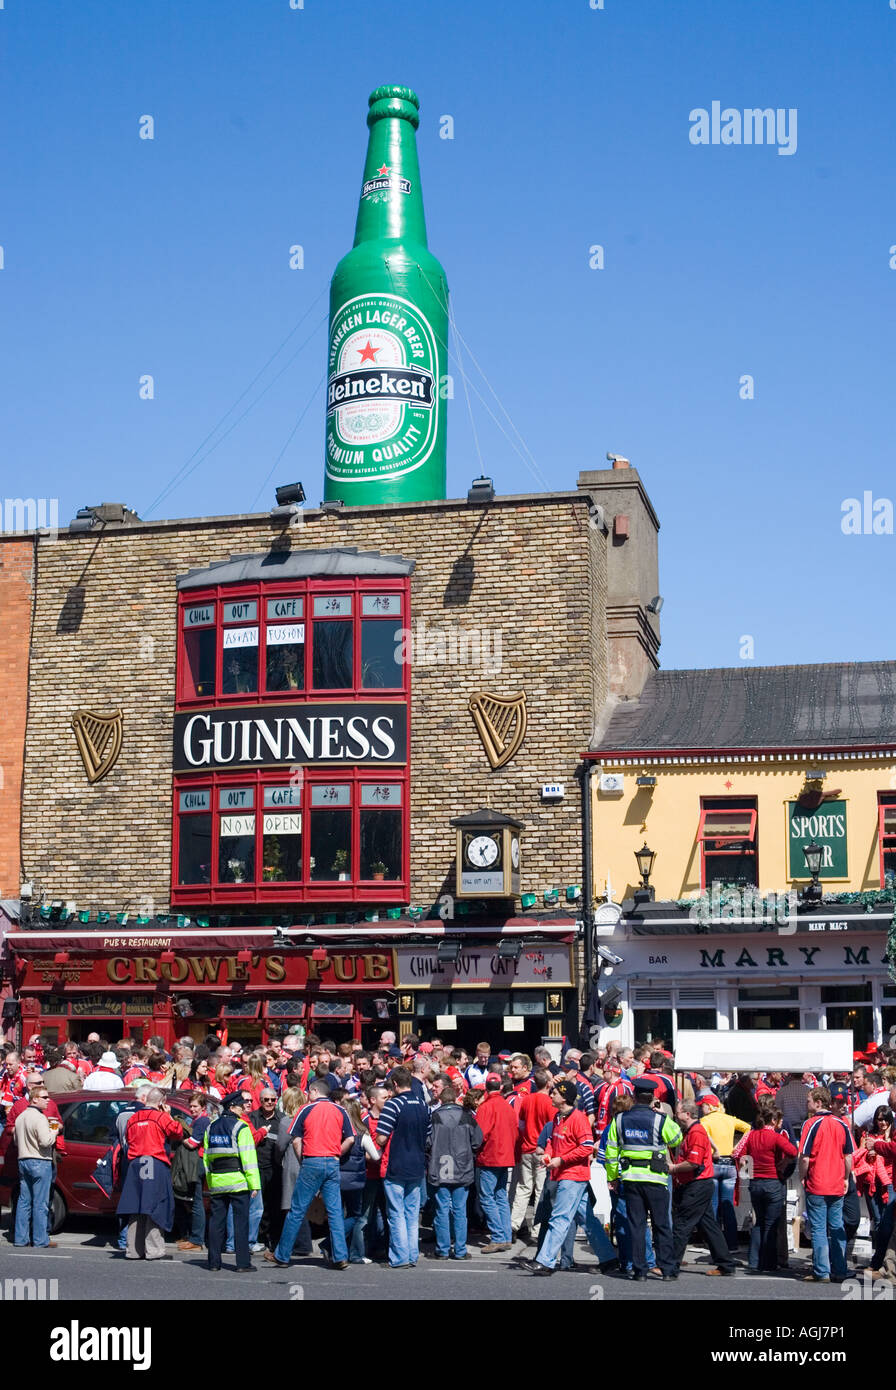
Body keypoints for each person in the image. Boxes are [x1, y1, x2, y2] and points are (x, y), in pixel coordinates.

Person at [265, 1077, 353, 1269]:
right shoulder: (340, 1110)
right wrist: (337, 1152)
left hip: (312, 1160)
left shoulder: (306, 1109)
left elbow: (296, 1139)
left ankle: (282, 1255)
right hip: (332, 1161)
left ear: (313, 1091)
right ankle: (340, 1256)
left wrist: (303, 1159)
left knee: (297, 1210)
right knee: (335, 1211)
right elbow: (351, 1138)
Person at [604, 1076, 682, 1280]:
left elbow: (611, 1152)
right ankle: (667, 1270)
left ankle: (640, 1271)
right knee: (662, 1225)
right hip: (656, 1179)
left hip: (631, 1180)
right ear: (653, 1098)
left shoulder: (619, 1120)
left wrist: (613, 1178)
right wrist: (663, 1114)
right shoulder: (659, 1119)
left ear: (634, 1096)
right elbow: (676, 1138)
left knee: (637, 1226)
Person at [668, 1100, 737, 1277]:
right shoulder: (694, 1130)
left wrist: (673, 1168)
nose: (676, 1115)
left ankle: (670, 1266)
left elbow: (693, 1162)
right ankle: (726, 1264)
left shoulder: (696, 1132)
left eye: (678, 1112)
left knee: (682, 1224)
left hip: (697, 1184)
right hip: (699, 1183)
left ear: (687, 1114)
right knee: (708, 1225)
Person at [374, 1065, 432, 1269]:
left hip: (396, 1164)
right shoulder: (424, 1106)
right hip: (417, 1164)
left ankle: (399, 1257)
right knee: (411, 1212)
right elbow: (428, 1137)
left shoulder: (392, 1105)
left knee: (396, 1213)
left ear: (396, 1084)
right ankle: (412, 1254)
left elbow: (381, 1138)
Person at [117, 1086, 183, 1260]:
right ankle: (153, 1250)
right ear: (161, 1103)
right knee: (154, 1205)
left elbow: (129, 1139)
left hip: (135, 1163)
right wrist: (168, 1114)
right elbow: (177, 1131)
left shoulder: (133, 1118)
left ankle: (133, 1249)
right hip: (154, 1161)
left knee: (135, 1206)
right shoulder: (161, 1117)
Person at [798, 1086, 855, 1283]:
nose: (807, 1103)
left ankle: (822, 1271)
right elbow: (849, 1156)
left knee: (819, 1229)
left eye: (809, 1100)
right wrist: (846, 1177)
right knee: (836, 1226)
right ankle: (839, 1269)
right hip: (836, 1182)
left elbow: (804, 1157)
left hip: (818, 1182)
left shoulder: (811, 1124)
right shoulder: (841, 1124)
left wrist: (802, 1176)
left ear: (818, 1103)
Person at [203, 1090, 261, 1272]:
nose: (244, 1107)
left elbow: (206, 1159)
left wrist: (211, 1182)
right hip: (238, 1182)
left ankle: (213, 1262)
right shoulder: (241, 1128)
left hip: (218, 1181)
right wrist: (254, 1185)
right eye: (241, 1105)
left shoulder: (211, 1127)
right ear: (232, 1107)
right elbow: (249, 1159)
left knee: (216, 1223)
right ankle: (242, 1264)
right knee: (240, 1223)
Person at [426, 1082, 483, 1260]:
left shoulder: (434, 1116)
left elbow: (427, 1142)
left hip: (440, 1167)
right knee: (460, 1210)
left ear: (441, 1100)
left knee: (442, 1210)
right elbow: (477, 1141)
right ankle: (460, 1250)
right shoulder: (466, 1117)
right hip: (462, 1167)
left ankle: (443, 1250)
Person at [697, 1092, 750, 1252]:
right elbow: (748, 1129)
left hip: (714, 1163)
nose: (702, 1109)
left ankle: (713, 1243)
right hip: (730, 1164)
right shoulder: (729, 1119)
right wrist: (737, 1147)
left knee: (712, 1205)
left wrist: (714, 1149)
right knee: (727, 1204)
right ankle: (732, 1243)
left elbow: (703, 1135)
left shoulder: (704, 1121)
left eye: (703, 1106)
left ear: (709, 1106)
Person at [511, 1068, 555, 1242]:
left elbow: (521, 1125)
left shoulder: (527, 1100)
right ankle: (537, 1230)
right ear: (548, 1083)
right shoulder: (550, 1103)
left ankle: (513, 1224)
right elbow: (552, 1129)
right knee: (539, 1191)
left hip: (526, 1148)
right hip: (541, 1150)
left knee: (523, 1188)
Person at [474, 1074, 518, 1251]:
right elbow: (515, 1132)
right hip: (505, 1157)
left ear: (486, 1088)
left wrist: (473, 1149)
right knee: (500, 1197)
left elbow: (480, 1135)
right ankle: (505, 1236)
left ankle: (499, 1237)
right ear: (500, 1088)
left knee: (487, 1197)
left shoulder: (486, 1107)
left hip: (490, 1157)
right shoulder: (507, 1107)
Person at [13, 1084, 58, 1248]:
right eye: (44, 1097)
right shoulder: (39, 1118)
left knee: (24, 1201)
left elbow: (16, 1141)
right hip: (40, 1160)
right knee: (40, 1203)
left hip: (23, 1159)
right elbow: (45, 1141)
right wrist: (54, 1130)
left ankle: (20, 1238)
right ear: (35, 1099)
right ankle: (40, 1239)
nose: (48, 1100)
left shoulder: (20, 1117)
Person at [338, 1099, 380, 1264]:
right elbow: (375, 1156)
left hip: (336, 1179)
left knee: (338, 1215)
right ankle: (354, 1253)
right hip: (355, 1181)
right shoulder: (362, 1134)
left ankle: (338, 1251)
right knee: (356, 1216)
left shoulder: (337, 1131)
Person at [275, 1087, 313, 1258]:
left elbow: (280, 1146)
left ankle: (301, 1243)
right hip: (310, 1161)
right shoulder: (309, 1117)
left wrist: (277, 1160)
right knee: (302, 1204)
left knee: (292, 1205)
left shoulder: (286, 1121)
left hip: (292, 1164)